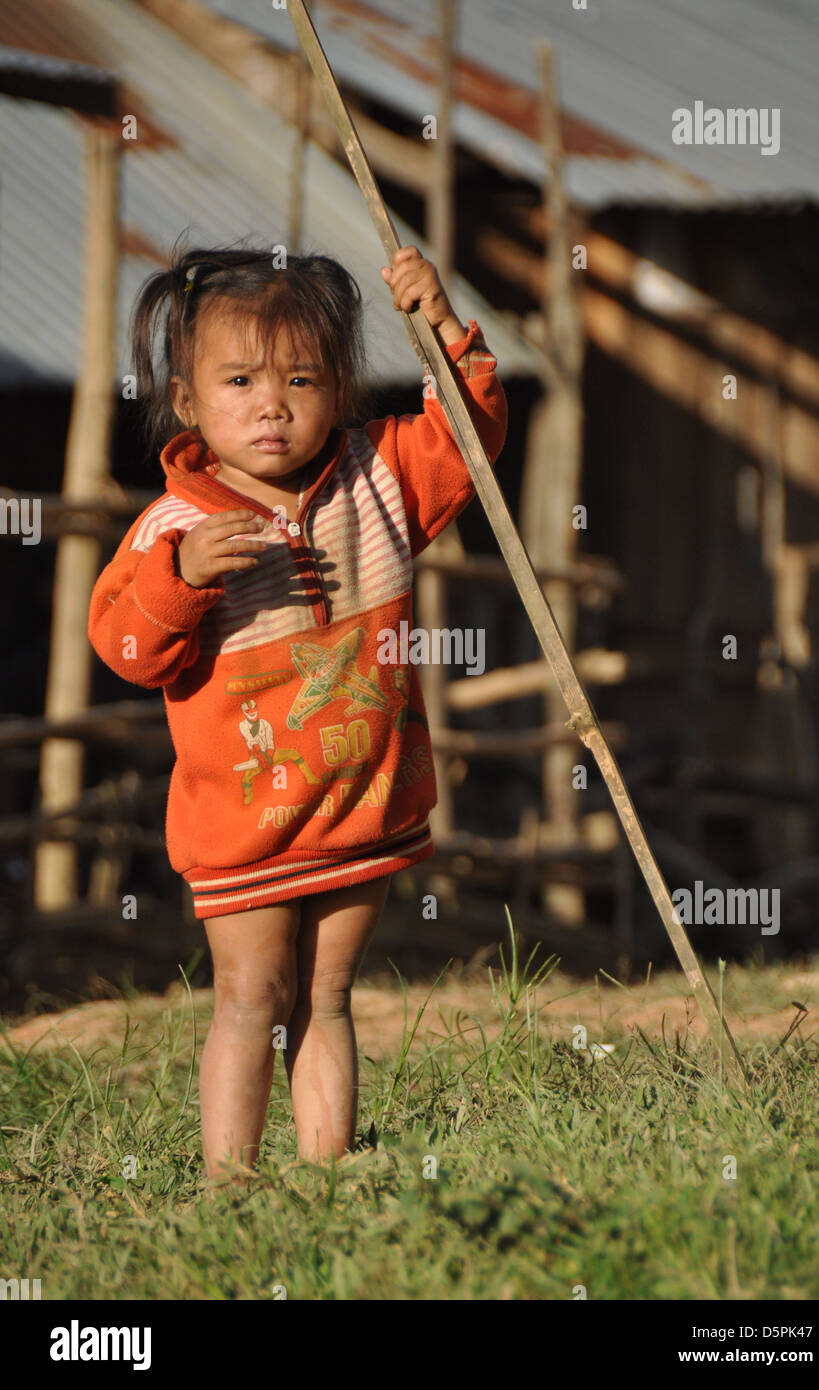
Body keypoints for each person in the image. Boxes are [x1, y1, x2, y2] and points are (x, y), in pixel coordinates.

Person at [88, 242, 507, 1184]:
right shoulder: (173, 527)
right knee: (250, 994)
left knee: (327, 993)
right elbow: (123, 647)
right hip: (244, 826)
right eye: (238, 380)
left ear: (342, 389)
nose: (270, 404)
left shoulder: (379, 479)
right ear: (187, 401)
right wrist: (181, 580)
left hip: (363, 805)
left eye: (300, 379)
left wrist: (440, 322)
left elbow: (470, 434)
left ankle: (327, 1180)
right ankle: (229, 1184)